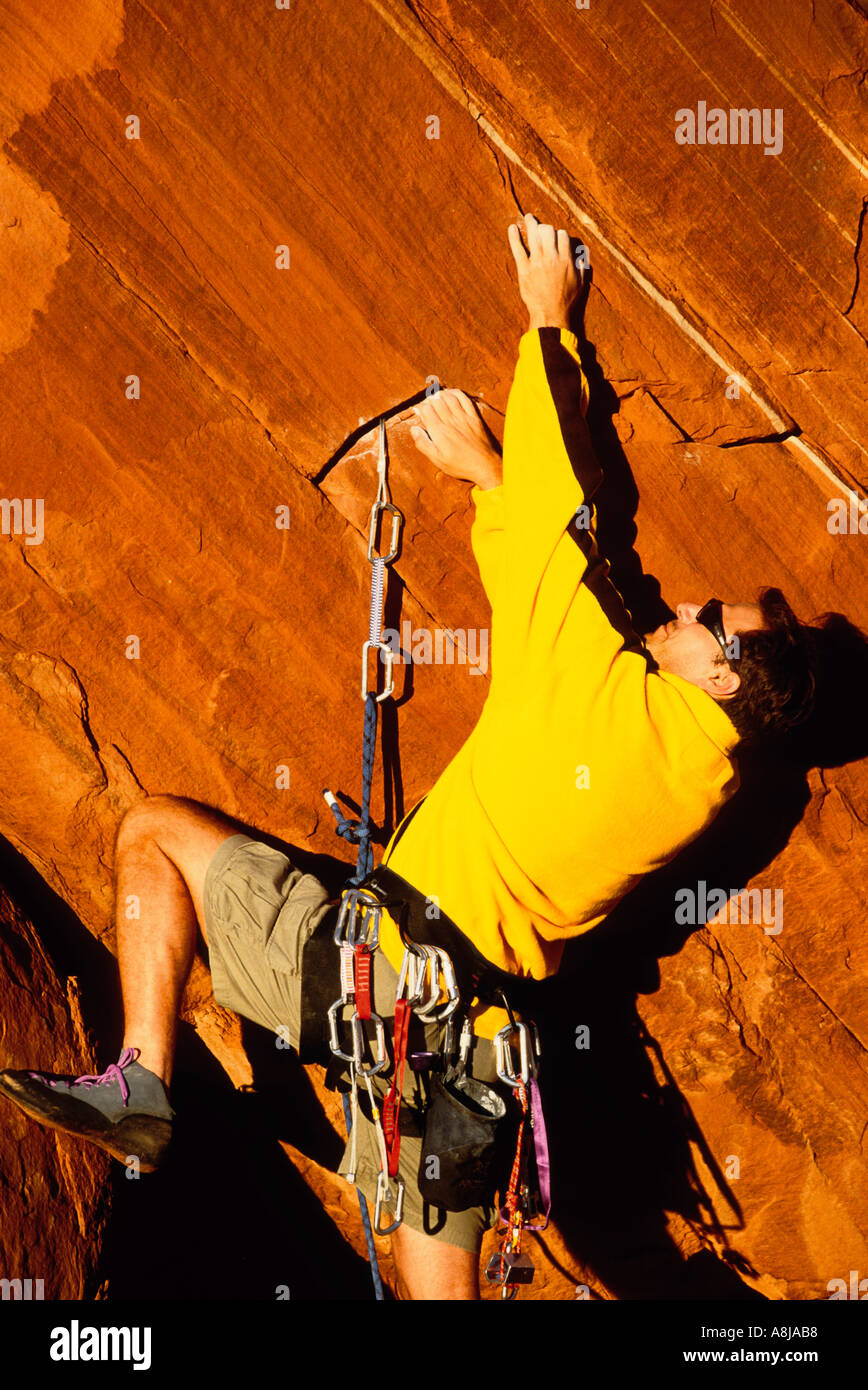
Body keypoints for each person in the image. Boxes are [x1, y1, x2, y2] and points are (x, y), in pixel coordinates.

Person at [0, 214, 818, 1301]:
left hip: (372, 974)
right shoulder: (705, 776)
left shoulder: (600, 689)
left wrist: (547, 326)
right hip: (469, 1058)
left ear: (719, 676)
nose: (684, 603)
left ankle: (142, 1085)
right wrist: (494, 484)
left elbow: (559, 527)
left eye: (709, 617)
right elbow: (555, 575)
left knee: (152, 832)